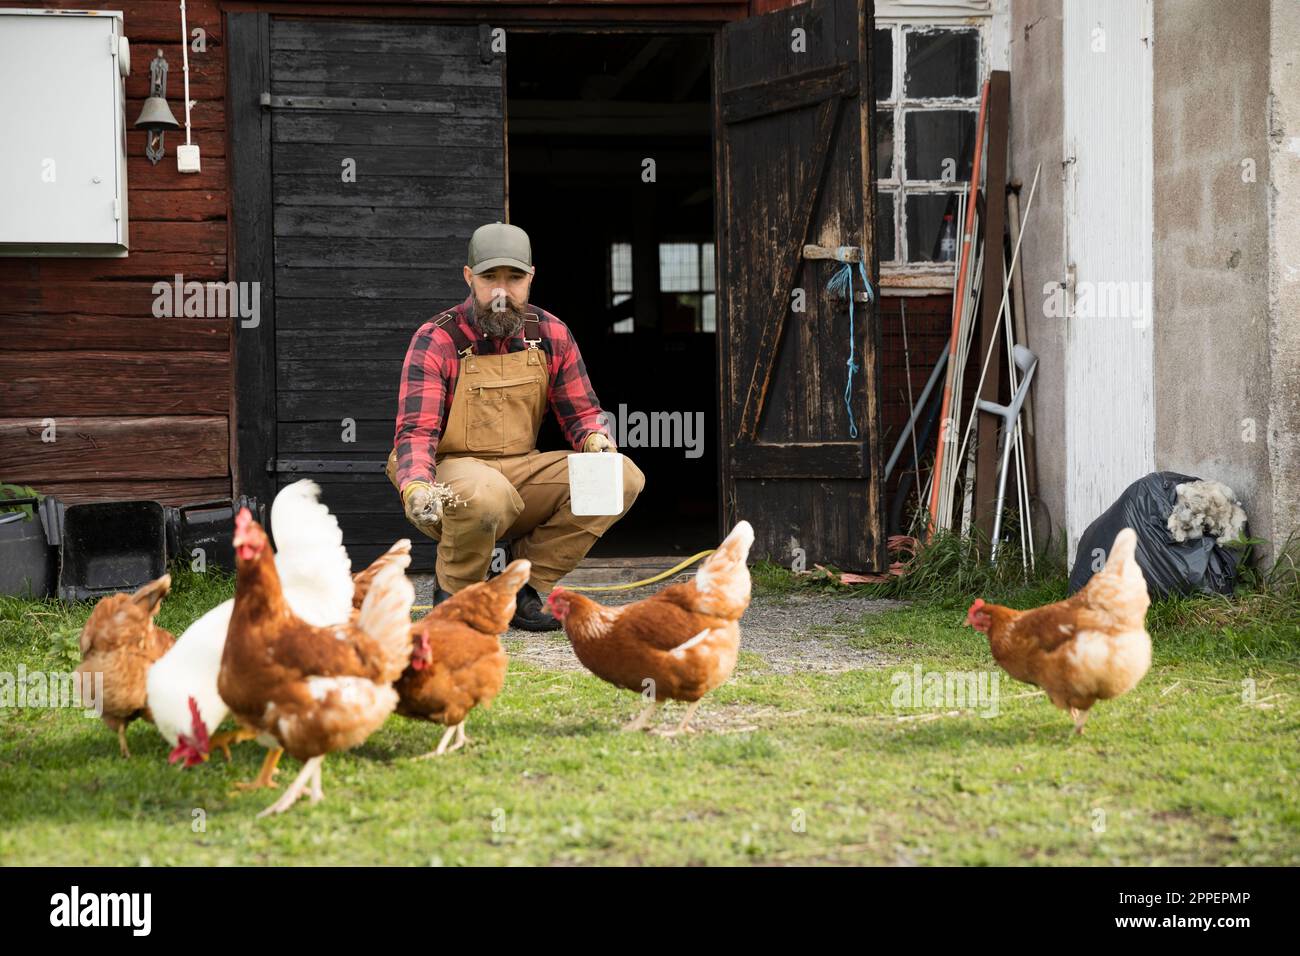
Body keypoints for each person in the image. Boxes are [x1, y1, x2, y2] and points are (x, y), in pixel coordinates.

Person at [387, 221, 644, 630]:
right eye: (490, 277)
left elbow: (581, 413)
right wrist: (416, 484)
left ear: (531, 278)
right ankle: (455, 596)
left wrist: (596, 438)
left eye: (514, 277)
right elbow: (416, 432)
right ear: (469, 278)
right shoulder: (437, 339)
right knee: (487, 494)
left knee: (623, 477)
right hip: (452, 472)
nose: (502, 291)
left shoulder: (551, 333)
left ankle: (521, 584)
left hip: (521, 469)